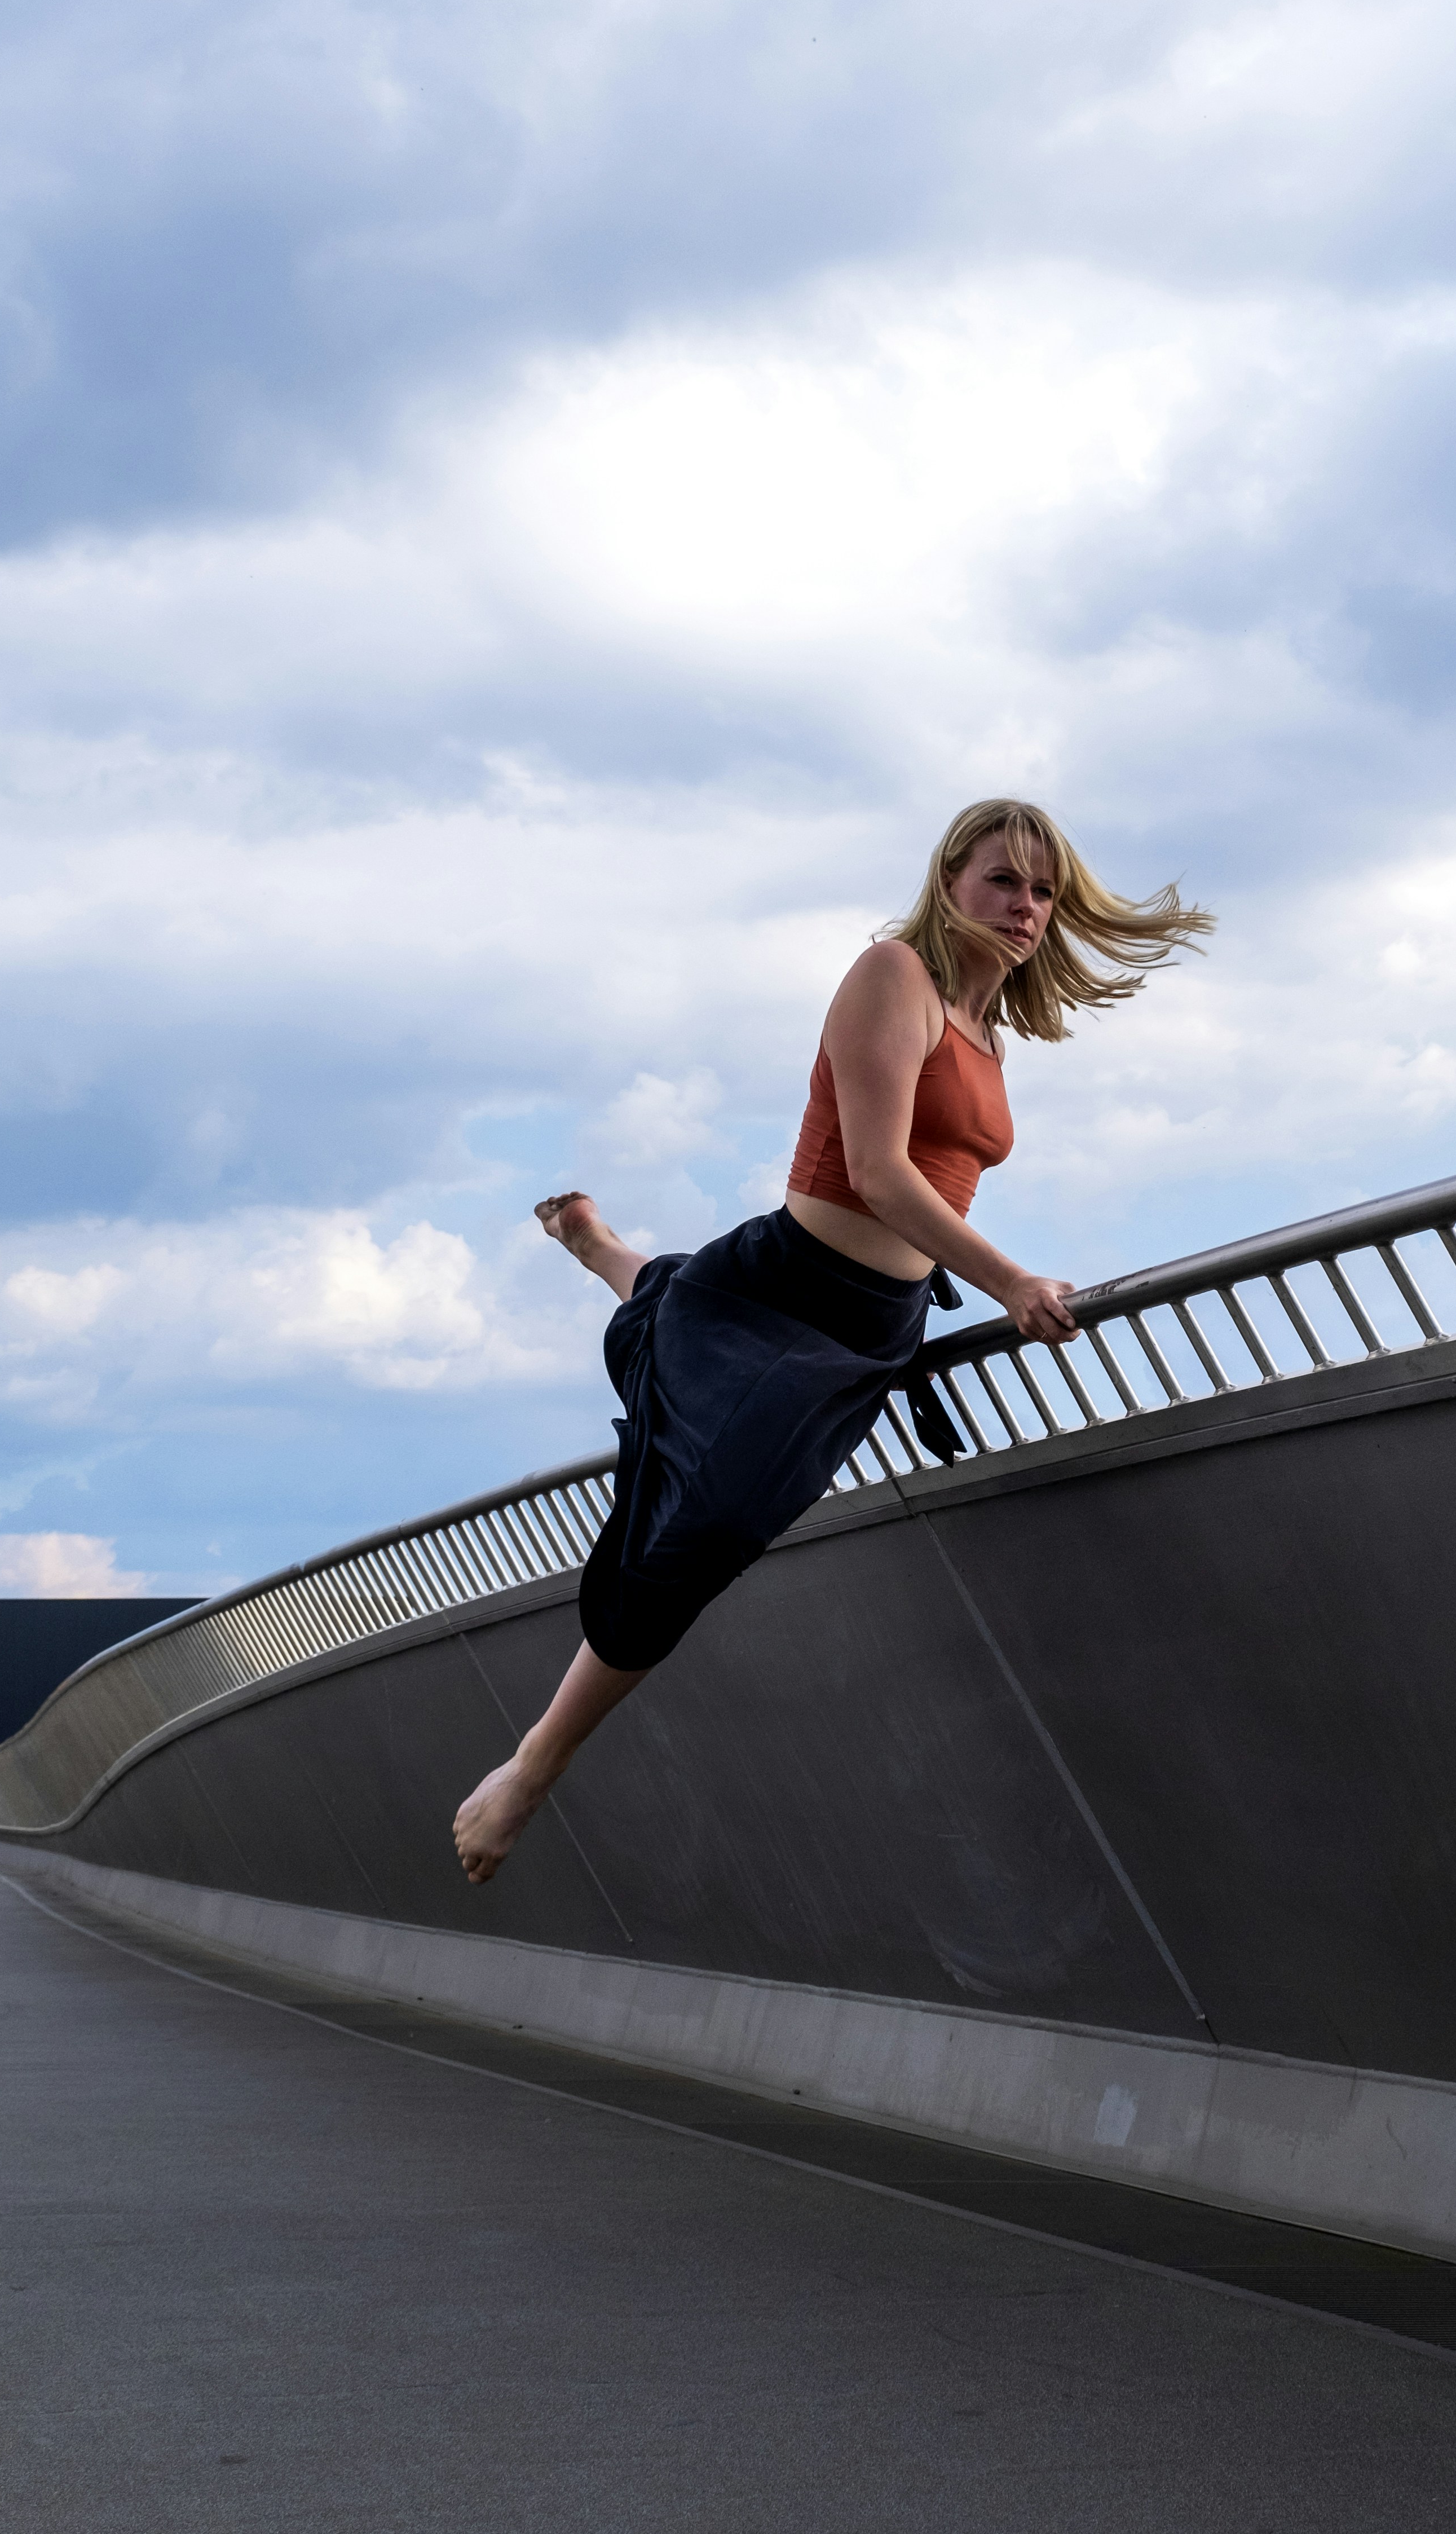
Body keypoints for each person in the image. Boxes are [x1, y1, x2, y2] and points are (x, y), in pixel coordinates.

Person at [453, 799, 1211, 1881]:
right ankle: (534, 1763)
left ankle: (617, 1262)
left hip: (875, 1326)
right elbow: (876, 1173)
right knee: (704, 1515)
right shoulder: (891, 976)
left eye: (1044, 892)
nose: (1026, 907)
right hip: (779, 1287)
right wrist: (1006, 1279)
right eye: (1004, 881)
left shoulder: (991, 1031)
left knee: (710, 1442)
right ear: (951, 878)